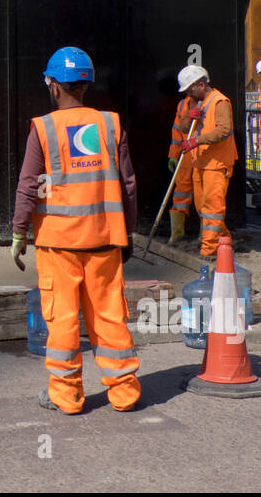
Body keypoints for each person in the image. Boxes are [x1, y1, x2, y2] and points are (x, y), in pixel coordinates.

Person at [10, 47, 140, 415]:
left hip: (58, 244)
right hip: (104, 239)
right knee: (110, 314)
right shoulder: (111, 124)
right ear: (86, 84)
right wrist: (127, 233)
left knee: (63, 319)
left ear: (53, 86)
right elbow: (128, 184)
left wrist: (20, 232)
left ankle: (66, 397)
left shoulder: (44, 128)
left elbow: (28, 184)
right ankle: (124, 393)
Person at [175, 65, 237, 258]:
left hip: (217, 164)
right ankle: (223, 241)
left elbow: (223, 130)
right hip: (201, 163)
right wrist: (188, 117)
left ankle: (208, 250)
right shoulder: (196, 102)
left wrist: (196, 141)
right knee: (204, 209)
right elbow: (184, 126)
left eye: (190, 89)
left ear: (200, 85)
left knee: (213, 208)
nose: (188, 93)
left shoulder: (220, 102)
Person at [165, 91, 196, 245]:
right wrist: (173, 155)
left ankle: (207, 237)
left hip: (202, 153)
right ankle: (176, 234)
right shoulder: (183, 104)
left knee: (204, 195)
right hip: (186, 155)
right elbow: (177, 132)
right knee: (181, 192)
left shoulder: (211, 102)